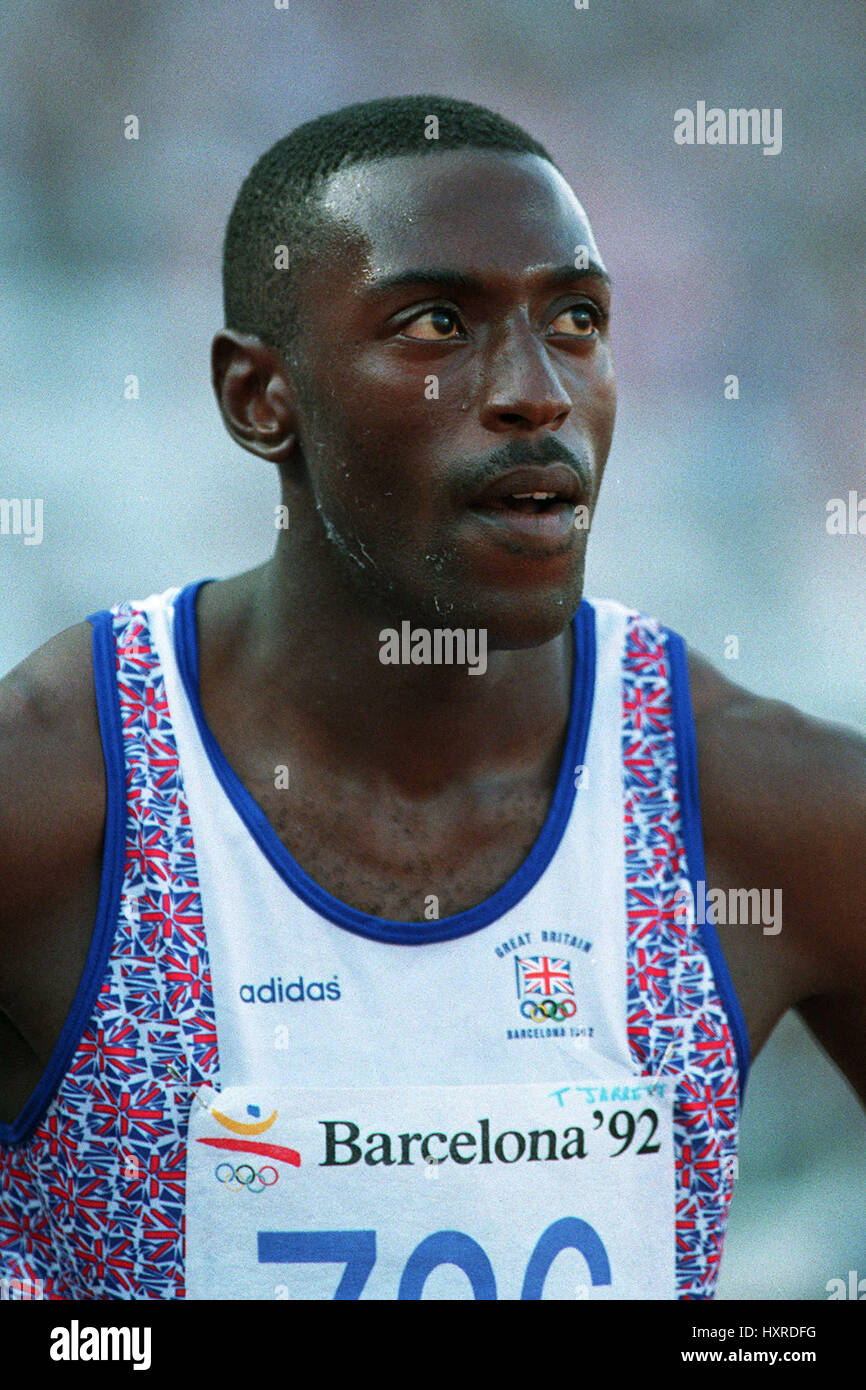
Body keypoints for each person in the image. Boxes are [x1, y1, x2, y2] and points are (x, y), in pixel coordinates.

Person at [0, 94, 863, 1302]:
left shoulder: (766, 802)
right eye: (434, 323)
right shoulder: (56, 792)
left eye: (574, 319)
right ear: (260, 397)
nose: (535, 391)